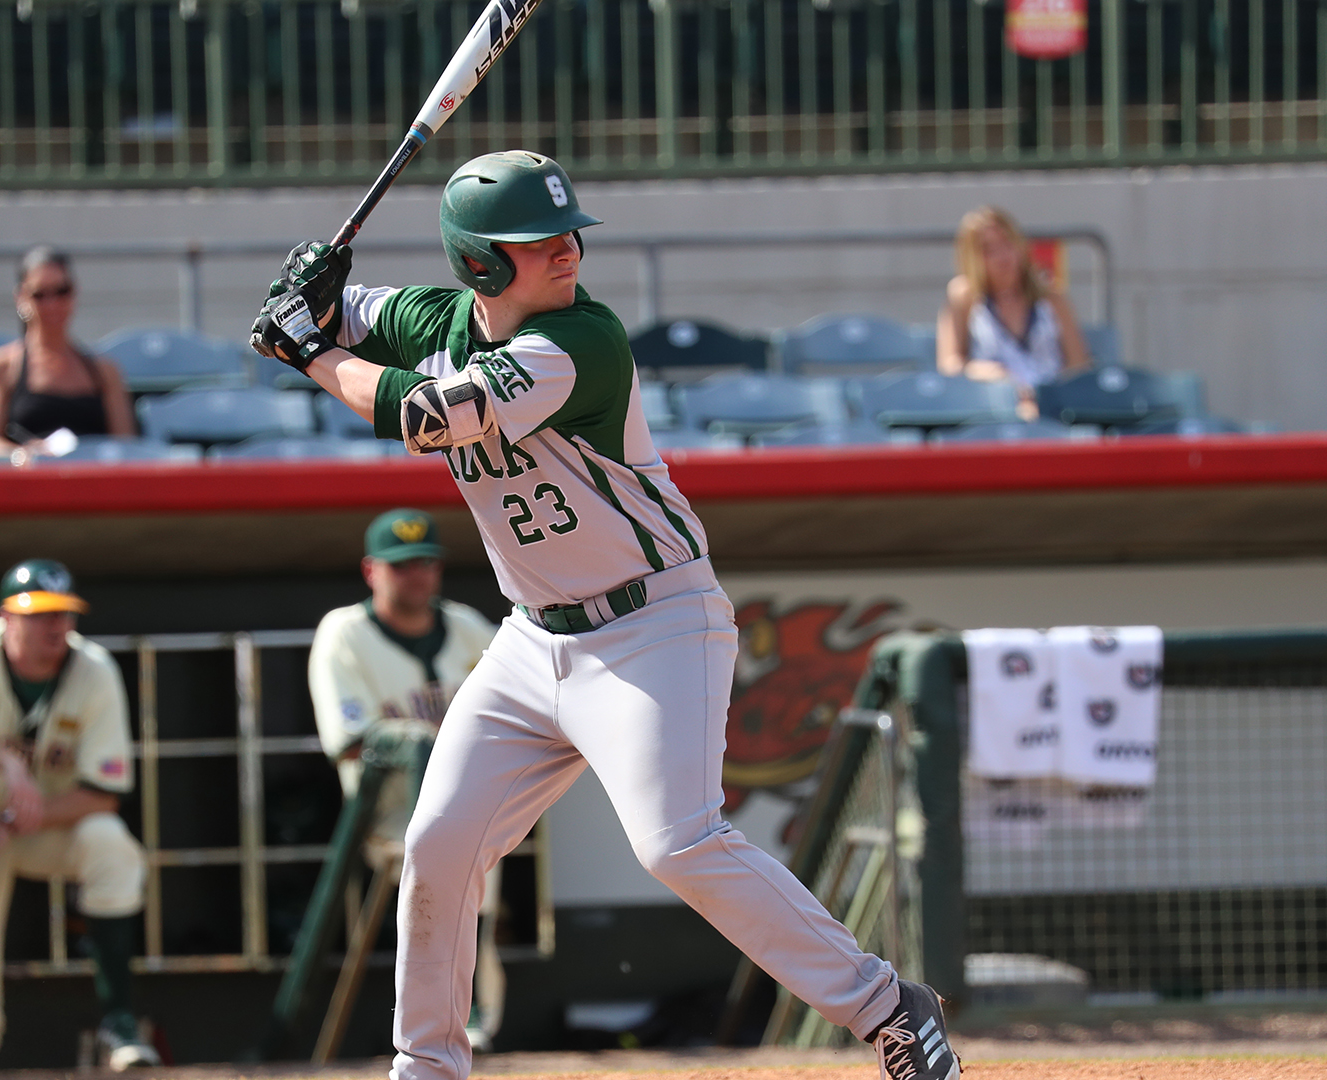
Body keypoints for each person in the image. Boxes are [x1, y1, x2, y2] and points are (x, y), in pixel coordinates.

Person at [251, 150, 960, 1080]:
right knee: (438, 842)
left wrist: (303, 346)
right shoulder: (433, 316)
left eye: (566, 234)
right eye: (536, 242)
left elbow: (417, 413)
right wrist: (307, 292)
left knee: (677, 842)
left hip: (654, 625)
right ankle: (426, 1068)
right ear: (480, 263)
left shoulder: (581, 343)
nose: (566, 252)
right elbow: (348, 311)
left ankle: (887, 1008)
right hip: (530, 637)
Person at [0, 558, 157, 1069]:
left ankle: (118, 1022)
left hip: (37, 825)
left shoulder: (94, 668)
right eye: (37, 615)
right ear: (6, 618)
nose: (54, 627)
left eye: (63, 614)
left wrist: (10, 819)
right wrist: (5, 765)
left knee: (112, 847)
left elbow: (104, 792)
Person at [308, 509, 504, 1051]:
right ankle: (451, 1018)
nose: (416, 576)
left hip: (467, 806)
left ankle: (473, 1018)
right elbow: (349, 738)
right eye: (401, 567)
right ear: (372, 571)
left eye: (425, 564)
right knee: (453, 856)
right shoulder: (344, 632)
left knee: (475, 852)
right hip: (385, 813)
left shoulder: (466, 627)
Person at [0, 247, 136, 462]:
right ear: (21, 298)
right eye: (39, 294)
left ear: (75, 293)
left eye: (61, 291)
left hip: (93, 487)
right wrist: (24, 456)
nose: (52, 304)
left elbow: (126, 448)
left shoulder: (105, 372)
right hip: (27, 488)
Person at [935, 206, 1089, 419]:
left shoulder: (1052, 296)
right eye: (988, 250)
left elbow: (1078, 365)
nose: (1002, 257)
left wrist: (1046, 395)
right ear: (972, 257)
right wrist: (980, 371)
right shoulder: (964, 297)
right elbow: (949, 364)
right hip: (991, 409)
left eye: (1007, 243)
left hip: (1053, 411)